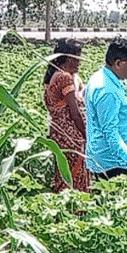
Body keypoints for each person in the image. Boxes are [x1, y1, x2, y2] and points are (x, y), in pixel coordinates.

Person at [85, 38, 127, 180]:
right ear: (118, 63)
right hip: (114, 163)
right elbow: (109, 131)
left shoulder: (105, 78)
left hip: (116, 160)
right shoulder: (107, 90)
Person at [43, 38, 90, 193]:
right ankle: (76, 211)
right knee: (76, 176)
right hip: (71, 135)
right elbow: (75, 114)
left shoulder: (53, 76)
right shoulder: (65, 78)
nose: (80, 62)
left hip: (58, 133)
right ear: (70, 58)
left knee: (63, 173)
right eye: (78, 58)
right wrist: (86, 135)